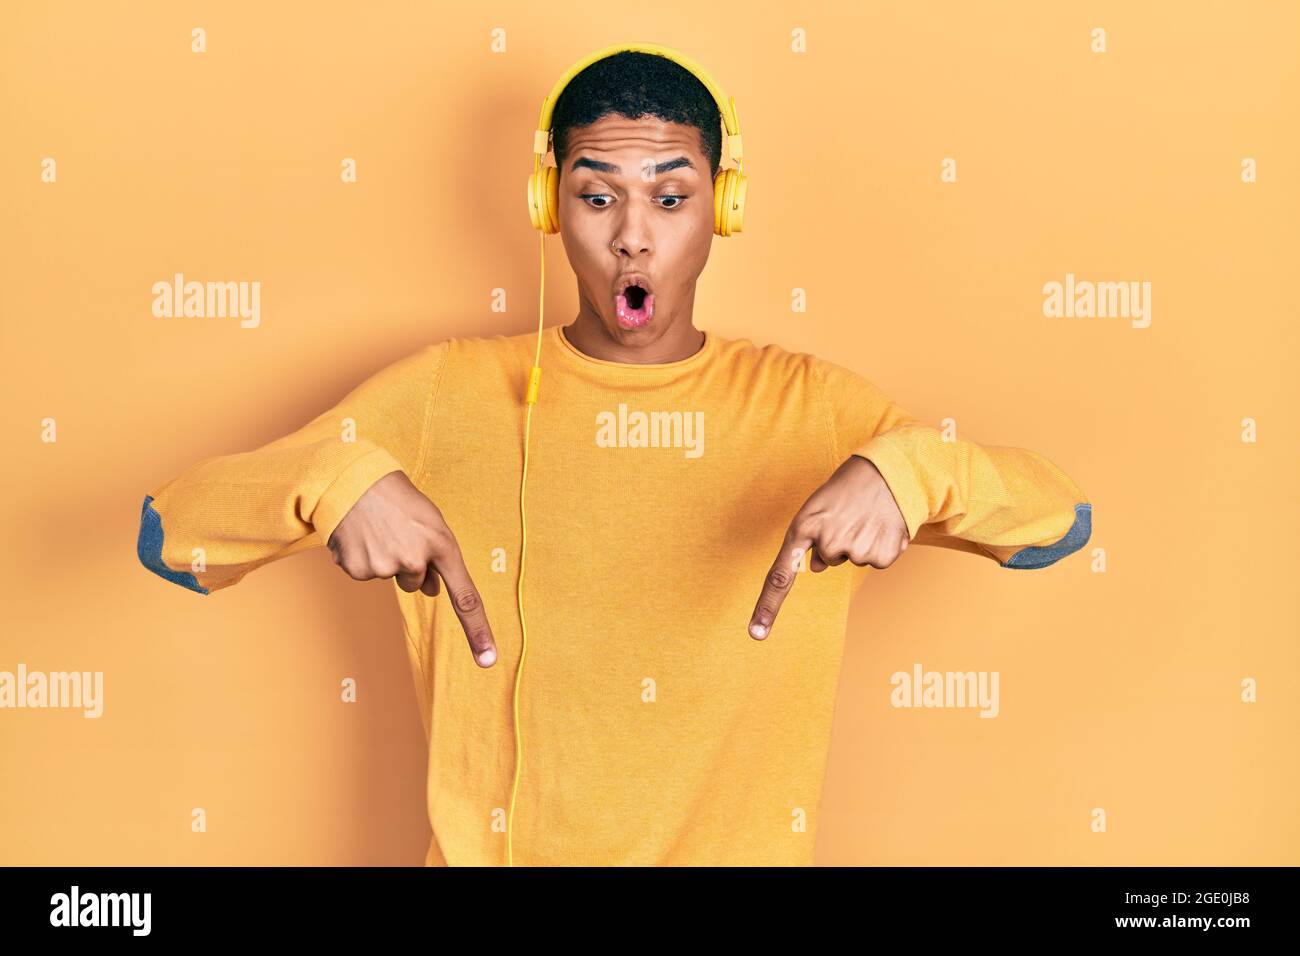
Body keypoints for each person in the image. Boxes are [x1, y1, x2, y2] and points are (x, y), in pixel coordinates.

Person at [136, 49, 1093, 866]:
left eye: (670, 197)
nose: (633, 234)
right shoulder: (440, 393)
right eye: (598, 196)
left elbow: (1060, 521)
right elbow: (170, 534)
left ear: (723, 207)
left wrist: (911, 473)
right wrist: (333, 486)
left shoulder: (816, 409)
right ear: (549, 205)